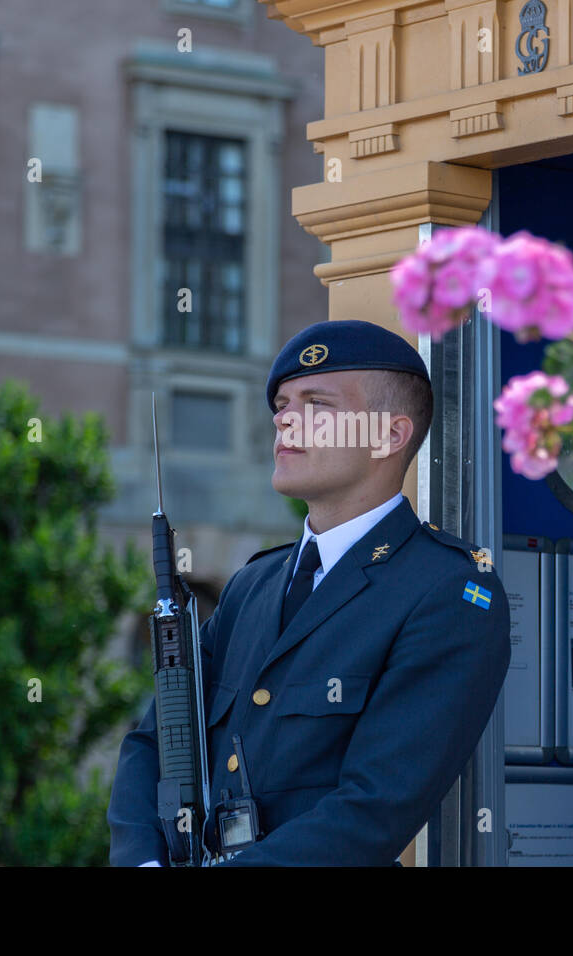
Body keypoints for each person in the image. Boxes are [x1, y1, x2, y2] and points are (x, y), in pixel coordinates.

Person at [108, 319, 511, 866]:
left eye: (317, 406)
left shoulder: (450, 591)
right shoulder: (254, 585)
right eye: (281, 405)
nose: (285, 422)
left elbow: (373, 809)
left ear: (389, 436)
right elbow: (154, 741)